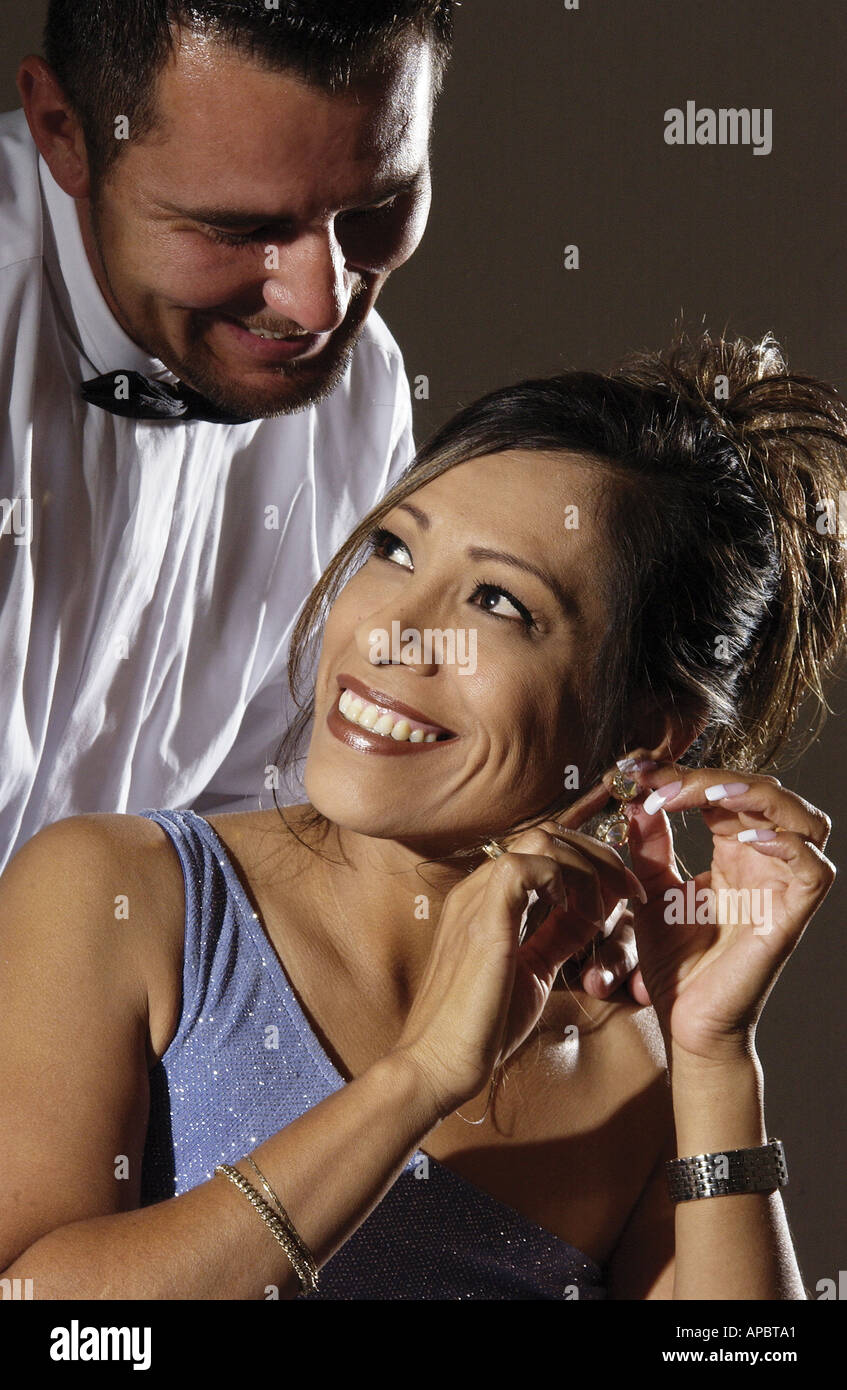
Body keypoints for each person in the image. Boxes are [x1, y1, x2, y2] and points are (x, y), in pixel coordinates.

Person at [2, 330, 844, 1300]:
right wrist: (413, 1081)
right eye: (394, 548)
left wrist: (713, 1060)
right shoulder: (122, 896)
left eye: (498, 602)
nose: (396, 629)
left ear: (648, 733)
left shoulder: (628, 1078)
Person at [0, 0, 451, 873]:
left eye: (376, 207)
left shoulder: (363, 387)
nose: (319, 306)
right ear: (64, 133)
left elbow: (264, 839)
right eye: (238, 230)